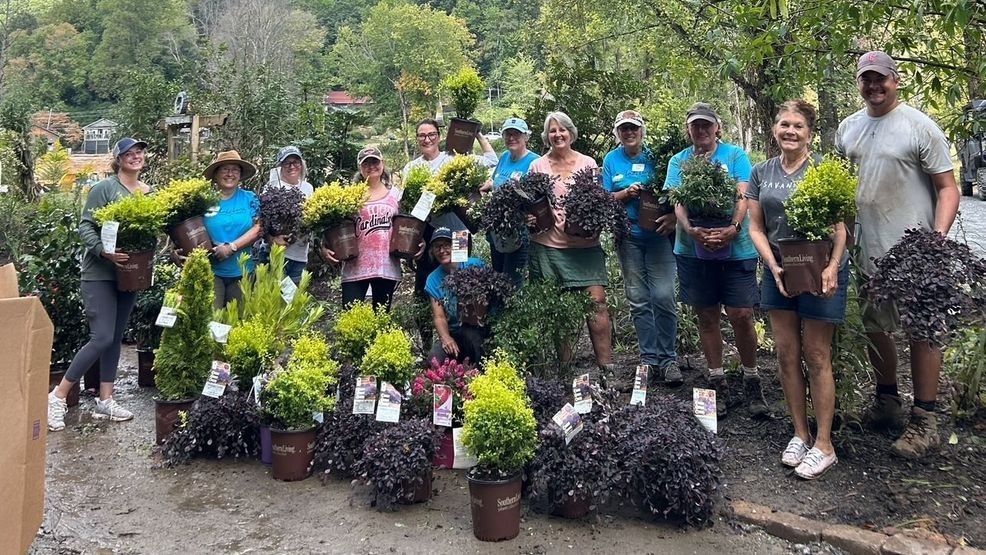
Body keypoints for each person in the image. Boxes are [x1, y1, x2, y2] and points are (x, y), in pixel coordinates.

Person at [836, 51, 959, 459]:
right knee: (876, 326)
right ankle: (887, 402)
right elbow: (842, 187)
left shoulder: (919, 127)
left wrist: (936, 239)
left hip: (916, 253)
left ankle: (925, 419)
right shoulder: (848, 128)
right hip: (867, 251)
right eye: (866, 80)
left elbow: (948, 188)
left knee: (922, 333)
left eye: (880, 79)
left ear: (895, 80)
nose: (873, 86)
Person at [748, 100, 848, 479]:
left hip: (821, 271)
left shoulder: (824, 169)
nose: (790, 131)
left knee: (817, 354)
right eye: (784, 124)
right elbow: (756, 227)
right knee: (787, 354)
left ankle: (825, 444)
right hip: (779, 272)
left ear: (810, 132)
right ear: (775, 129)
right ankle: (800, 434)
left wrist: (833, 266)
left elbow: (840, 228)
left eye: (799, 126)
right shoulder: (762, 172)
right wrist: (771, 264)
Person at [664, 102, 767, 418]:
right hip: (693, 249)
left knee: (741, 313)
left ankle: (751, 378)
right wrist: (692, 229)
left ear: (717, 127)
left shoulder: (735, 155)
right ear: (689, 129)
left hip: (737, 249)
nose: (701, 130)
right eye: (695, 125)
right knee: (706, 315)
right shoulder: (679, 161)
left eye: (706, 124)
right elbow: (678, 200)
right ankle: (717, 378)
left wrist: (734, 228)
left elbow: (743, 194)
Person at [47, 138, 150, 431]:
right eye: (128, 154)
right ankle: (57, 396)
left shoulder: (147, 192)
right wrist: (103, 251)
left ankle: (106, 399)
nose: (135, 157)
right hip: (100, 274)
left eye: (139, 152)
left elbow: (151, 232)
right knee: (102, 337)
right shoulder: (104, 189)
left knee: (115, 337)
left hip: (129, 274)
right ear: (118, 160)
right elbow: (85, 226)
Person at [527, 111, 614, 377]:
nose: (557, 134)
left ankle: (606, 367)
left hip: (584, 245)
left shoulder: (588, 163)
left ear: (571, 133)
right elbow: (530, 204)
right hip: (549, 246)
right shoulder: (537, 167)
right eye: (552, 131)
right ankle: (566, 369)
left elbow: (600, 200)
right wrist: (529, 215)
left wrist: (595, 223)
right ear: (546, 136)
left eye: (562, 129)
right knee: (559, 310)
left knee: (597, 303)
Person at [602, 110, 680, 385]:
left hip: (659, 236)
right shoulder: (611, 160)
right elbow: (603, 198)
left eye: (633, 128)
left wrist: (673, 217)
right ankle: (648, 359)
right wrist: (625, 194)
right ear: (618, 133)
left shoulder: (657, 157)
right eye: (623, 129)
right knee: (638, 299)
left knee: (664, 295)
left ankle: (669, 358)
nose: (629, 132)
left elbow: (674, 192)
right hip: (629, 237)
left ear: (642, 131)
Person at [322, 146, 403, 309]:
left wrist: (417, 242)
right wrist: (325, 246)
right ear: (360, 168)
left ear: (383, 163)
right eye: (366, 163)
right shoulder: (349, 196)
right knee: (351, 317)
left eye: (375, 161)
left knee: (381, 319)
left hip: (385, 267)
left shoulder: (396, 194)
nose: (371, 166)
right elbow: (334, 226)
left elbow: (406, 227)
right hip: (355, 267)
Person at [483, 117, 540, 286]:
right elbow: (494, 183)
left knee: (512, 281)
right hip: (498, 229)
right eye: (508, 134)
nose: (512, 138)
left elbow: (539, 197)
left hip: (519, 230)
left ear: (526, 137)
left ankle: (513, 311)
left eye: (517, 134)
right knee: (498, 275)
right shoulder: (504, 158)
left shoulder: (534, 161)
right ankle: (500, 311)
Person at [202, 150, 261, 310]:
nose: (230, 174)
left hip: (242, 271)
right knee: (212, 320)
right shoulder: (204, 200)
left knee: (236, 322)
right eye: (225, 169)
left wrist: (231, 247)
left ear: (240, 175)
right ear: (215, 174)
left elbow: (259, 228)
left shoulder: (250, 199)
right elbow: (192, 230)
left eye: (235, 169)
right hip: (211, 271)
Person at [425, 227, 487, 364]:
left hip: (478, 328)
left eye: (446, 245)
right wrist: (446, 337)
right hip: (455, 331)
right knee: (434, 359)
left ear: (456, 245)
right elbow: (439, 316)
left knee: (475, 340)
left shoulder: (475, 264)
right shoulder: (433, 279)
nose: (442, 251)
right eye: (437, 247)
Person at [266, 146, 314, 284]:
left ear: (301, 164)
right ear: (280, 166)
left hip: (300, 255)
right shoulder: (272, 188)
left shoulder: (308, 187)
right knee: (278, 298)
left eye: (296, 162)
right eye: (287, 163)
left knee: (293, 299)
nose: (292, 166)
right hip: (279, 254)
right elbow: (262, 221)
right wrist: (271, 239)